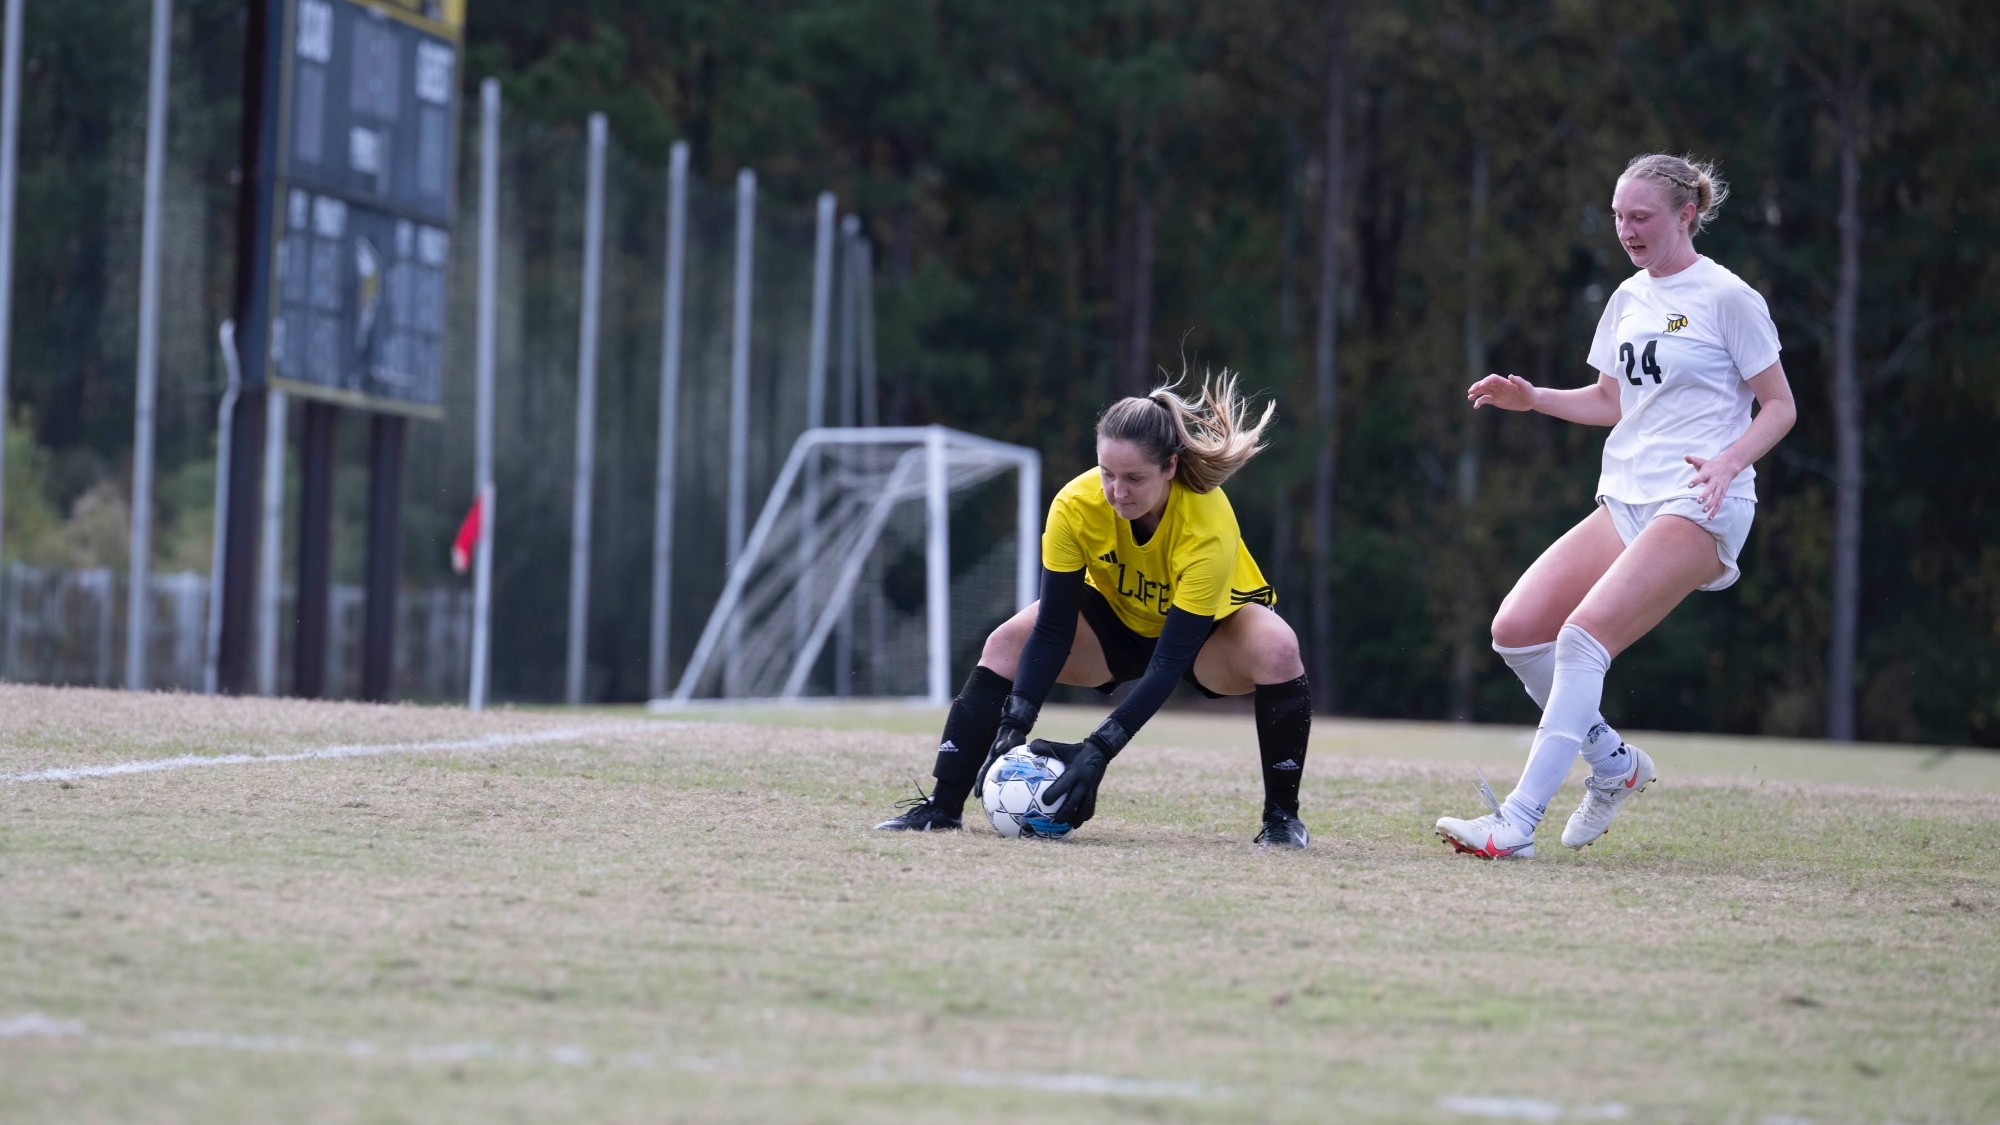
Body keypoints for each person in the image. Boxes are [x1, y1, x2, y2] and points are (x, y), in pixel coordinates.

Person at [1435, 153, 1797, 858]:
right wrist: (1534, 396)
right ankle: (1614, 765)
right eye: (1618, 217)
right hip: (1626, 496)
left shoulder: (1729, 297)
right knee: (1515, 631)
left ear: (1686, 215)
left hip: (1700, 499)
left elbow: (1780, 406)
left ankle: (1516, 823)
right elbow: (1610, 399)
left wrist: (1728, 461)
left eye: (1641, 217)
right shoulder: (1627, 296)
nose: (1626, 230)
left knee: (1579, 640)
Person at [874, 371, 1315, 848]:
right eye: (1107, 473)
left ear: (1170, 467)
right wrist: (1013, 723)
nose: (1116, 491)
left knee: (1278, 647)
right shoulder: (1074, 505)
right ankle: (942, 807)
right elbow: (1053, 627)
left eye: (1134, 478)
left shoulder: (1206, 522)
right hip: (1113, 624)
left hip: (1205, 636)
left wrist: (1099, 749)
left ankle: (1281, 820)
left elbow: (1168, 663)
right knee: (1006, 643)